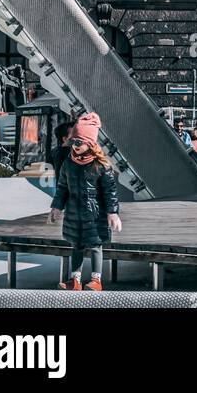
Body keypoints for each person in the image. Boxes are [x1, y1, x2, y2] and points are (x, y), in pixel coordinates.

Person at [49, 112, 121, 291]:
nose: (75, 145)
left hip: (94, 213)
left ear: (90, 143)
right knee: (77, 245)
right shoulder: (69, 163)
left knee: (95, 245)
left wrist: (112, 213)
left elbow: (110, 191)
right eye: (73, 141)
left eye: (79, 142)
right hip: (74, 212)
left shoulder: (101, 166)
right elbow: (62, 188)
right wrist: (56, 207)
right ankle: (75, 280)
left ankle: (96, 280)